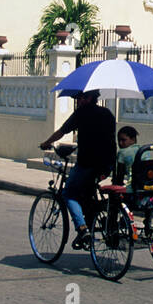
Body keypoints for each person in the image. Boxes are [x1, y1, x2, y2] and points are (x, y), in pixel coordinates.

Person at [39, 90, 116, 250]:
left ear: (88, 98)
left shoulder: (81, 113)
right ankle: (91, 219)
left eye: (79, 98)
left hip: (87, 163)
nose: (77, 101)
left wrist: (46, 142)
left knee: (69, 193)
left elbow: (62, 131)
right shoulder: (107, 113)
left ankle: (82, 229)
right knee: (87, 192)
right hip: (107, 164)